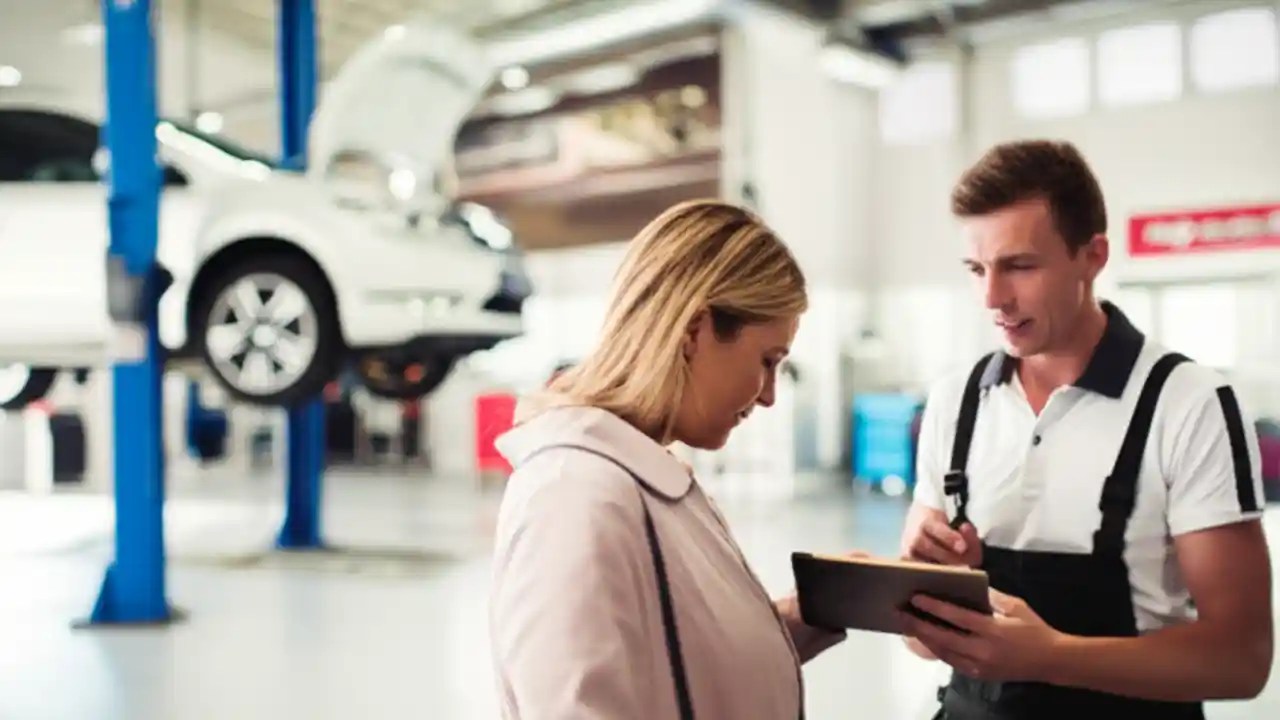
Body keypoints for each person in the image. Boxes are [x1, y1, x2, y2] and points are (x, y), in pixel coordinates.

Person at [898, 139, 1274, 718]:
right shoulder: (955, 403)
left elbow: (1241, 660)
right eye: (977, 269)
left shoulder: (1189, 406)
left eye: (1020, 266)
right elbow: (919, 643)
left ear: (1092, 256)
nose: (993, 297)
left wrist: (1049, 657)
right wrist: (926, 591)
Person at [488, 199, 847, 719]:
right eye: (767, 361)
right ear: (695, 331)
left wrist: (793, 621)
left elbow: (671, 666)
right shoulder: (574, 496)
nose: (769, 395)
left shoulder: (642, 478)